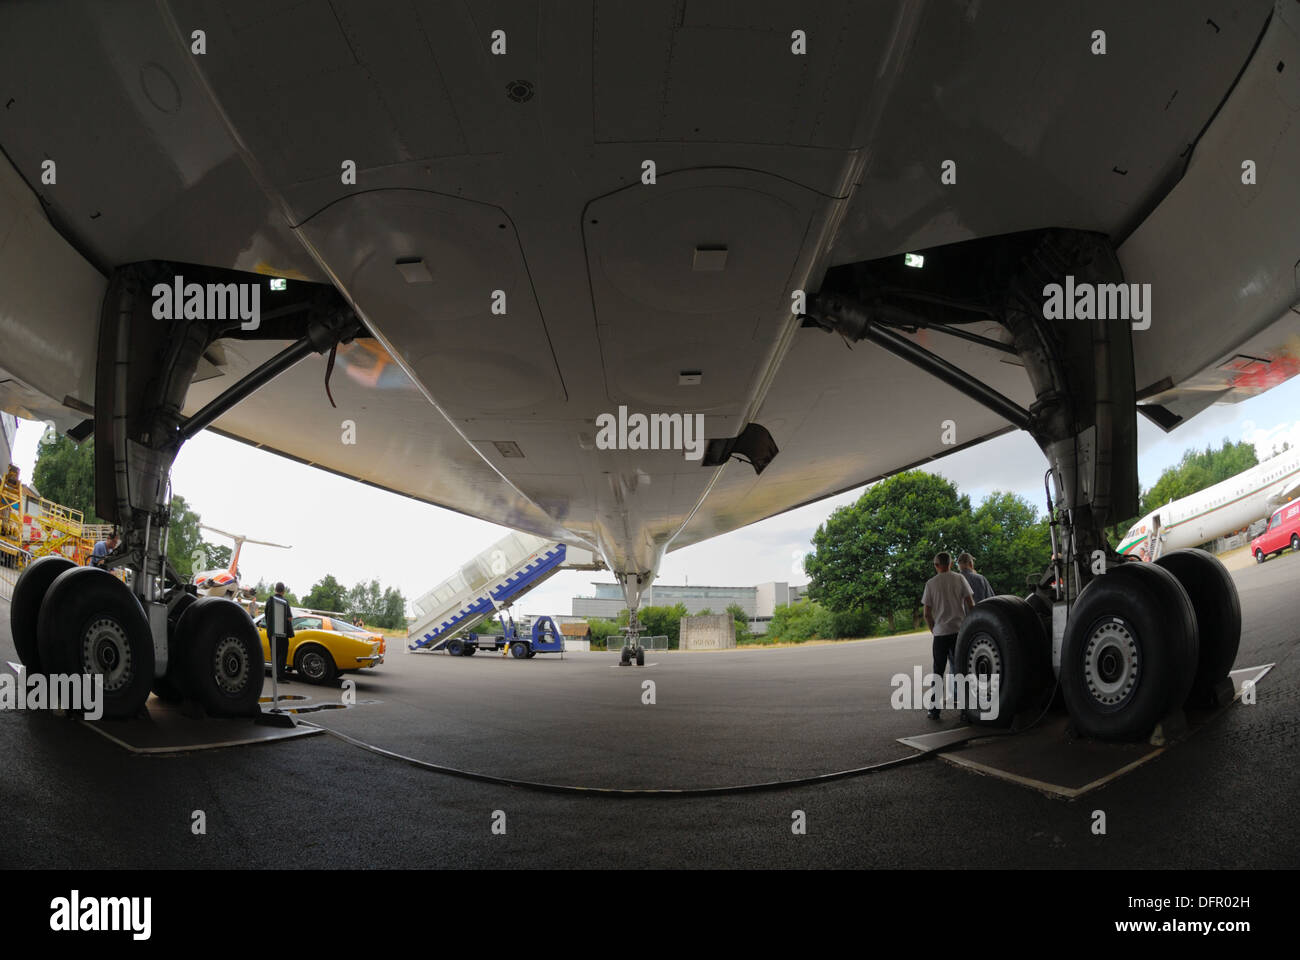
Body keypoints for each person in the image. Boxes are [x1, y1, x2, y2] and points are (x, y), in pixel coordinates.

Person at [921, 551, 974, 720]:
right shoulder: (959, 579)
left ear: (936, 566)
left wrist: (934, 630)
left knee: (938, 671)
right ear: (951, 563)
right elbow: (970, 604)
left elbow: (927, 614)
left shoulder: (930, 584)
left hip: (941, 634)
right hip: (959, 631)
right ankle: (966, 711)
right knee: (961, 671)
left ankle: (934, 710)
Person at [265, 582, 295, 684]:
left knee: (274, 653)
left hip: (271, 632)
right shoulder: (284, 602)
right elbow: (289, 618)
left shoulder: (269, 600)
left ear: (275, 589)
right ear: (283, 591)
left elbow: (266, 615)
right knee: (282, 655)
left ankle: (274, 675)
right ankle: (280, 677)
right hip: (281, 632)